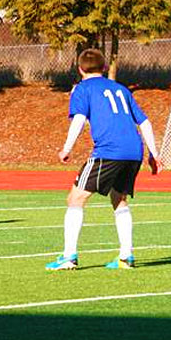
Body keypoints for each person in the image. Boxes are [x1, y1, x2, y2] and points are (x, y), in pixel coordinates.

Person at [46, 49, 162, 271]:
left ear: (80, 69)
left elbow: (79, 119)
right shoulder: (121, 89)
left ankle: (69, 256)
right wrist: (154, 154)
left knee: (75, 198)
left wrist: (66, 148)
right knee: (119, 199)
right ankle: (126, 256)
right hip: (133, 151)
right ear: (104, 67)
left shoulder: (82, 89)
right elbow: (145, 122)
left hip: (109, 151)